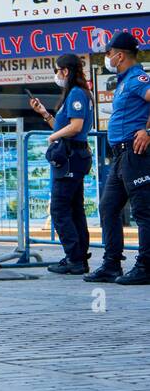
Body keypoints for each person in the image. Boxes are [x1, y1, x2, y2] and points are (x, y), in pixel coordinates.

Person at [84, 32, 150, 285]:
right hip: (121, 156)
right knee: (108, 207)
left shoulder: (136, 79)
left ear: (120, 55)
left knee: (143, 211)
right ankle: (112, 264)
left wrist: (148, 131)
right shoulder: (123, 81)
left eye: (109, 53)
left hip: (136, 154)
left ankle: (146, 266)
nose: (107, 57)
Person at [30, 54, 95, 275]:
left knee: (59, 209)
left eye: (57, 70)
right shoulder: (76, 93)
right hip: (73, 155)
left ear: (65, 71)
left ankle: (75, 258)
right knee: (75, 208)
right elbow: (62, 126)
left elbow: (75, 126)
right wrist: (45, 114)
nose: (57, 75)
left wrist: (52, 138)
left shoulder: (77, 93)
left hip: (70, 157)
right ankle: (78, 258)